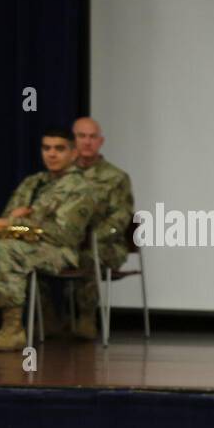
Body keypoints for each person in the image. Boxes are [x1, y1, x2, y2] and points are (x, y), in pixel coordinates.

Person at [0, 128, 95, 351]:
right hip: (23, 242)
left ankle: (12, 330)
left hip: (58, 251)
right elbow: (9, 220)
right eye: (47, 148)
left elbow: (63, 234)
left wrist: (15, 223)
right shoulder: (33, 182)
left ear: (73, 153)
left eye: (59, 149)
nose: (51, 154)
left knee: (3, 251)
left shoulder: (81, 188)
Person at [63, 116, 135, 339]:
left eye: (92, 137)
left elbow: (120, 218)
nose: (87, 141)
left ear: (101, 141)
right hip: (64, 242)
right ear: (73, 141)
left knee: (88, 256)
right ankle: (50, 320)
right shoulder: (62, 175)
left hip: (106, 245)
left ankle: (86, 318)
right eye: (81, 136)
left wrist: (91, 238)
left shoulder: (116, 177)